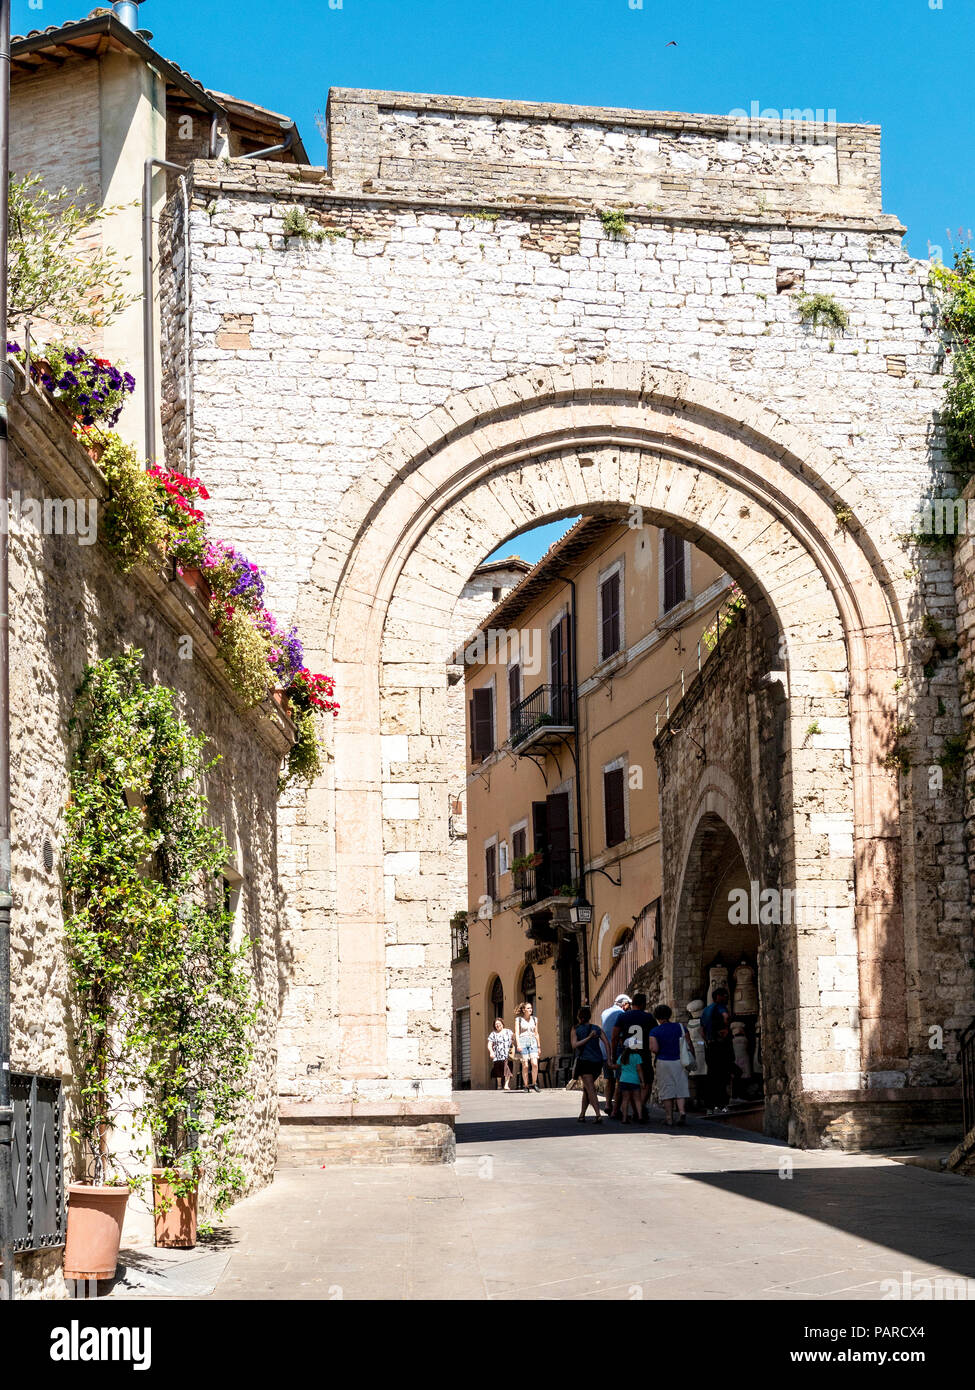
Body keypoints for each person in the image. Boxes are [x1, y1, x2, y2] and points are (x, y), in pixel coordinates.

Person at [611, 991, 656, 1122]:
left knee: (623, 1082)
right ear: (643, 1004)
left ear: (633, 1004)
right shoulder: (649, 1018)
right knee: (647, 1081)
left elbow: (614, 1036)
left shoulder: (623, 1017)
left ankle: (617, 1111)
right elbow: (655, 1035)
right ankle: (640, 1107)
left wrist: (614, 1054)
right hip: (643, 1054)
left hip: (627, 1054)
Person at [649, 1004, 694, 1126]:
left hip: (664, 1062)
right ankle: (682, 1112)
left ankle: (669, 1117)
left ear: (657, 1017)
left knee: (667, 1088)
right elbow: (689, 1043)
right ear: (669, 1014)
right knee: (680, 1087)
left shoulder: (655, 1031)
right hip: (680, 1061)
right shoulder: (680, 1027)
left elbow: (654, 1049)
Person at [570, 1006, 609, 1123]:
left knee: (590, 1089)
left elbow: (574, 1045)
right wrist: (609, 1059)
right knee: (587, 1089)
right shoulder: (596, 1028)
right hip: (598, 1061)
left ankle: (598, 1115)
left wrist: (588, 1037)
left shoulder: (575, 1029)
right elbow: (607, 1043)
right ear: (589, 1017)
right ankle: (582, 1114)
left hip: (585, 1062)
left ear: (579, 1016)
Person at [700, 987, 733, 1114]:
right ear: (718, 996)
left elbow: (701, 1029)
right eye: (725, 995)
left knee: (711, 1075)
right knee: (722, 1075)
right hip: (720, 1046)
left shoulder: (706, 1010)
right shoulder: (720, 1007)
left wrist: (707, 1041)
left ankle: (710, 1105)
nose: (726, 998)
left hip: (710, 1046)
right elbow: (725, 1017)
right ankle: (722, 1104)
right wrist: (725, 1030)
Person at [599, 994, 630, 1114]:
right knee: (619, 1079)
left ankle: (607, 1104)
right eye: (628, 1005)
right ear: (624, 1004)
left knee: (609, 1079)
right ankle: (617, 1108)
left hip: (604, 1049)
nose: (629, 1007)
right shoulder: (622, 1015)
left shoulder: (604, 1012)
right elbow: (618, 1033)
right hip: (616, 1049)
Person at [616, 1038, 646, 1123]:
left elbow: (617, 1065)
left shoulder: (622, 1056)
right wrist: (642, 1081)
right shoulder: (637, 1056)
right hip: (634, 1081)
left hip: (623, 1080)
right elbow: (639, 1069)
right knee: (637, 1099)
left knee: (625, 1100)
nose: (638, 1047)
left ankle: (624, 1118)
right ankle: (640, 1117)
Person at [514, 1002, 541, 1091]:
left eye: (531, 1008)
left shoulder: (535, 1019)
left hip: (532, 1041)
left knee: (534, 1064)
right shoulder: (519, 1020)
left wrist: (539, 1046)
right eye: (528, 1008)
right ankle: (526, 1085)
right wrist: (518, 1045)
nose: (530, 1010)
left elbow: (536, 1033)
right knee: (525, 1065)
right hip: (522, 1041)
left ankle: (534, 1083)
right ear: (523, 1010)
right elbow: (517, 1033)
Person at [486, 1017, 513, 1091]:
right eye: (496, 1024)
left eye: (499, 1024)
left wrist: (514, 1049)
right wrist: (491, 1052)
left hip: (507, 1054)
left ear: (502, 1024)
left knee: (508, 1069)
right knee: (498, 1070)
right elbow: (489, 1044)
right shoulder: (493, 1034)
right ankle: (499, 1085)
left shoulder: (508, 1031)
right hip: (497, 1055)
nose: (497, 1025)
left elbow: (513, 1040)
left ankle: (506, 1085)